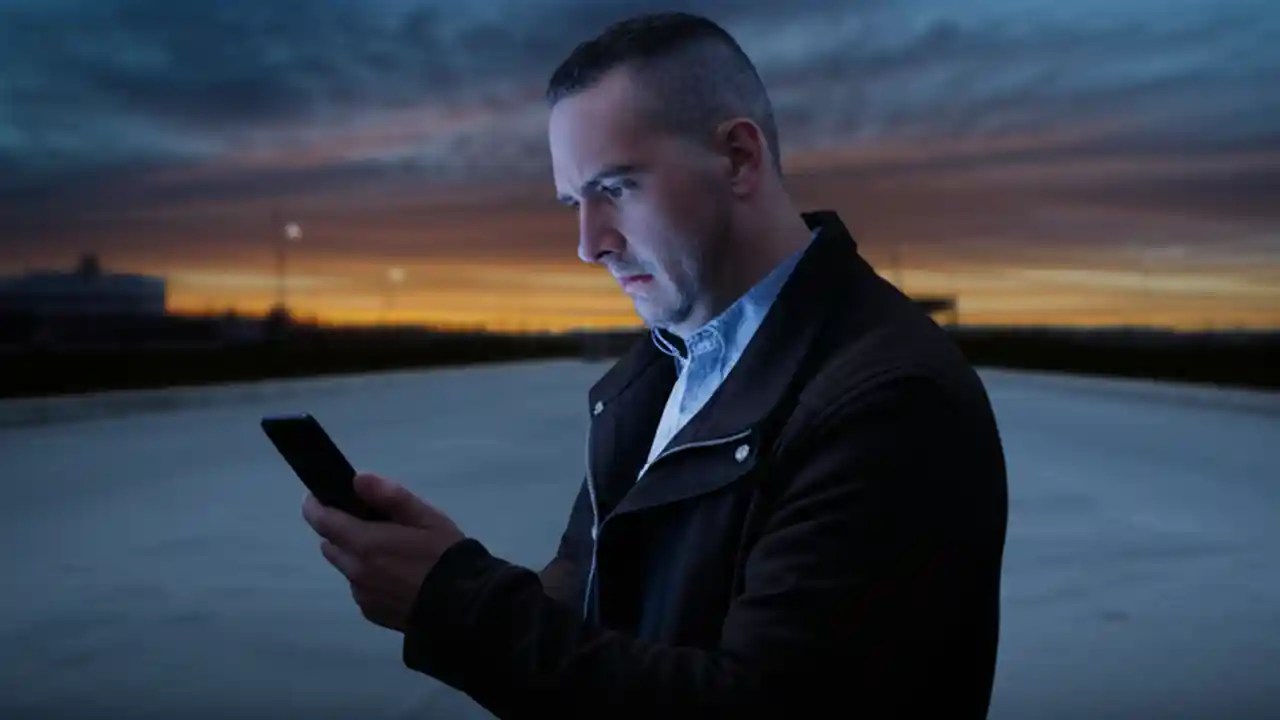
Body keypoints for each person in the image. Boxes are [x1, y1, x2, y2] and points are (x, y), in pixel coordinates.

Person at [302, 11, 1008, 718]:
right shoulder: (659, 375)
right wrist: (446, 571)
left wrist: (457, 604)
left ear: (737, 157)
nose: (588, 244)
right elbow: (600, 603)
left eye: (615, 188)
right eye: (574, 202)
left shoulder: (888, 402)